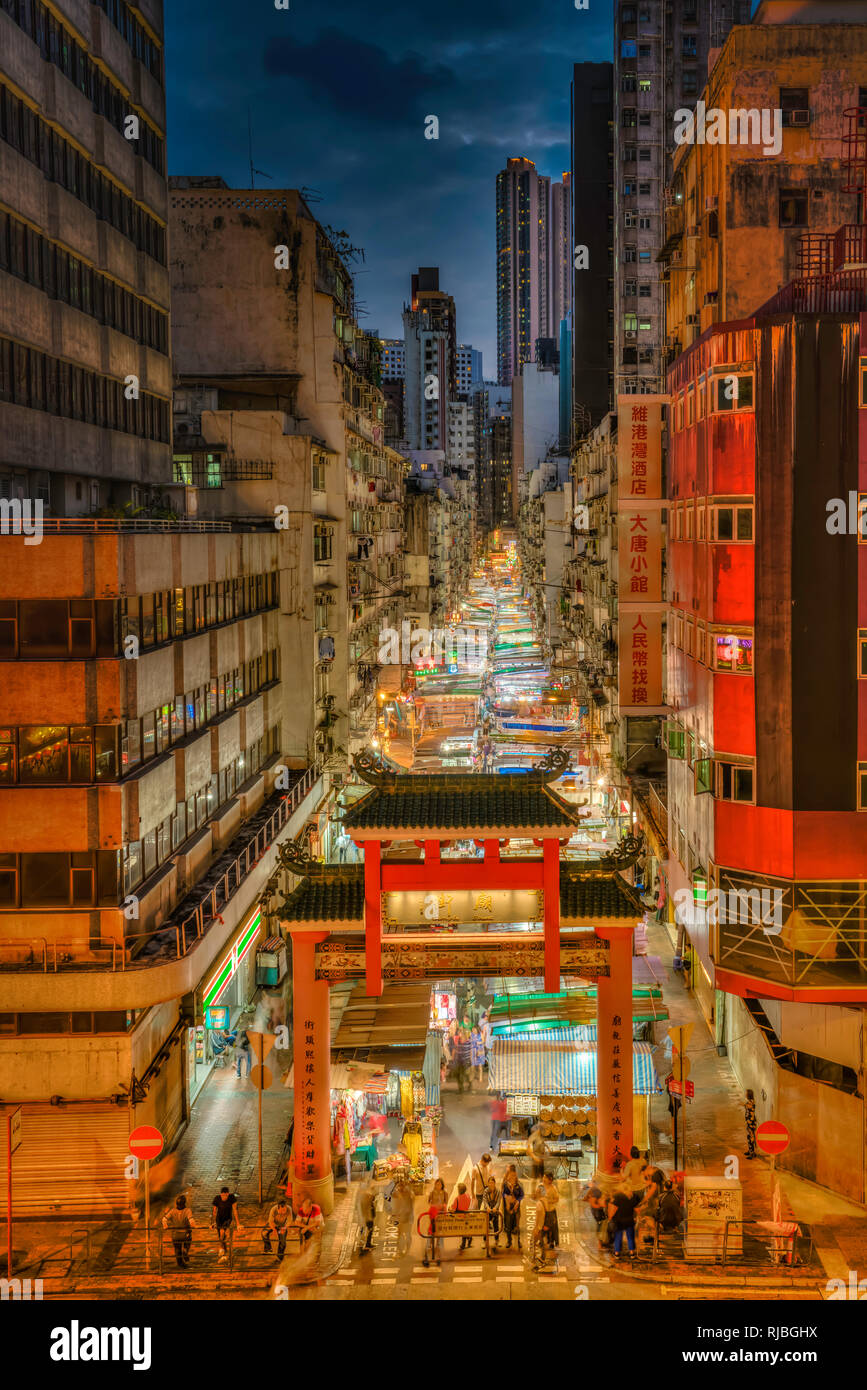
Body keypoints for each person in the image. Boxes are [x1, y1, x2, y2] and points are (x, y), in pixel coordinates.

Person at [162, 1194, 195, 1267]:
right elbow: (191, 1221)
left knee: (177, 1249)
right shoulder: (187, 1210)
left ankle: (180, 1264)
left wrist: (165, 1226)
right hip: (185, 1234)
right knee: (188, 1240)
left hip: (175, 1234)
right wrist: (193, 1226)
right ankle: (185, 1250)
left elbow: (164, 1219)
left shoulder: (172, 1211)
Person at [211, 1186, 242, 1262]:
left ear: (228, 1194)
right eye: (222, 1195)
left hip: (227, 1219)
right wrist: (212, 1222)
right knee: (221, 1237)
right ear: (220, 1194)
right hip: (219, 1219)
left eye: (225, 1195)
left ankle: (222, 1251)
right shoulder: (217, 1199)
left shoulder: (232, 1198)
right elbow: (214, 1212)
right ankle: (224, 1252)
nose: (224, 1197)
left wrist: (238, 1224)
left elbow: (235, 1210)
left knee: (222, 1234)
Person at [422, 1184, 447, 1268]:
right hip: (435, 1229)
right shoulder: (436, 1207)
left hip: (435, 1229)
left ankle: (432, 1258)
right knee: (433, 1244)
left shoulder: (439, 1207)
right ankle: (432, 1258)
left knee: (434, 1244)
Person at [607, 1189, 636, 1259]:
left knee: (618, 1237)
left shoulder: (616, 1200)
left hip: (619, 1222)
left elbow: (612, 1211)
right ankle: (632, 1253)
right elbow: (635, 1209)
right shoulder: (628, 1200)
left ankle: (617, 1253)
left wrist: (609, 1218)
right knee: (630, 1237)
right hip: (629, 1221)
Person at [501, 1168, 524, 1250]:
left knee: (517, 1225)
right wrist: (506, 1197)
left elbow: (522, 1195)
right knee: (508, 1225)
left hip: (516, 1208)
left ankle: (518, 1241)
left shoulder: (519, 1185)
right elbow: (503, 1193)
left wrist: (518, 1201)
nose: (512, 1177)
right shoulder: (505, 1185)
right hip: (508, 1208)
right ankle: (509, 1241)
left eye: (514, 1175)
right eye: (511, 1175)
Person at [391, 1181, 414, 1257]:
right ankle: (401, 1251)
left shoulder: (408, 1194)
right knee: (400, 1234)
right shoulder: (397, 1194)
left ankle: (407, 1250)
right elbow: (394, 1206)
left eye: (401, 1187)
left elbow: (408, 1207)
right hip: (401, 1218)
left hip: (406, 1218)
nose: (399, 1188)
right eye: (398, 1187)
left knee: (406, 1234)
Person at [449, 1181, 473, 1251]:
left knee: (462, 1230)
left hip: (459, 1218)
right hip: (467, 1216)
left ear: (459, 1190)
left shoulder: (457, 1199)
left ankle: (463, 1244)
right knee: (465, 1229)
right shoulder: (468, 1196)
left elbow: (453, 1209)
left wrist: (449, 1208)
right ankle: (468, 1237)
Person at [540, 1172, 560, 1252]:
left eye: (545, 1178)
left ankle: (552, 1242)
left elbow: (557, 1199)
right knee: (542, 1225)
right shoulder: (541, 1186)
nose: (543, 1179)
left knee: (551, 1228)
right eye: (543, 1177)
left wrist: (549, 1201)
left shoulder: (553, 1188)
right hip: (542, 1210)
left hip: (550, 1211)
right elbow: (537, 1195)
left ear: (550, 1180)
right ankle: (544, 1240)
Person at [480, 1175, 502, 1245]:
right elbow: (485, 1200)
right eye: (489, 1182)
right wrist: (487, 1207)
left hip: (495, 1211)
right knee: (486, 1226)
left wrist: (496, 1207)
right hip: (488, 1212)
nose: (491, 1184)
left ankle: (497, 1240)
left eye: (492, 1182)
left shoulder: (498, 1191)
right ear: (488, 1183)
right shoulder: (486, 1191)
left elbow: (498, 1201)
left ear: (494, 1183)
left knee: (496, 1226)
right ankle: (484, 1241)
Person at [530, 1185, 547, 1269]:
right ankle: (541, 1260)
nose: (535, 1193)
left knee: (534, 1242)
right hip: (543, 1226)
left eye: (537, 1192)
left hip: (539, 1227)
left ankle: (536, 1262)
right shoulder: (544, 1201)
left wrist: (536, 1228)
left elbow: (539, 1216)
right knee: (541, 1244)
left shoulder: (539, 1203)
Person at [358, 1180, 378, 1254]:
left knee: (368, 1230)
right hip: (368, 1217)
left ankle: (367, 1244)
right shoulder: (366, 1196)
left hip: (367, 1216)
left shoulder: (363, 1195)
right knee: (370, 1230)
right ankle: (367, 1244)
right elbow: (372, 1198)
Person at [453, 1029, 472, 1094]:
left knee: (465, 1074)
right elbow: (455, 1049)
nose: (459, 1035)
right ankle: (461, 1088)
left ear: (463, 1034)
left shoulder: (468, 1041)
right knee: (458, 1075)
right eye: (459, 1033)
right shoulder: (458, 1041)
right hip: (459, 1060)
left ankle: (469, 1083)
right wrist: (454, 1058)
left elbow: (471, 1051)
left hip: (466, 1061)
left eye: (460, 1033)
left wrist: (471, 1060)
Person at [744, 1089, 757, 1159]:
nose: (745, 1094)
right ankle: (750, 1150)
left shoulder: (751, 1102)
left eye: (746, 1093)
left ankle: (752, 1153)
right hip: (749, 1122)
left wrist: (742, 1103)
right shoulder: (750, 1101)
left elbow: (747, 1106)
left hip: (751, 1123)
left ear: (748, 1094)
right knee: (749, 1137)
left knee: (751, 1137)